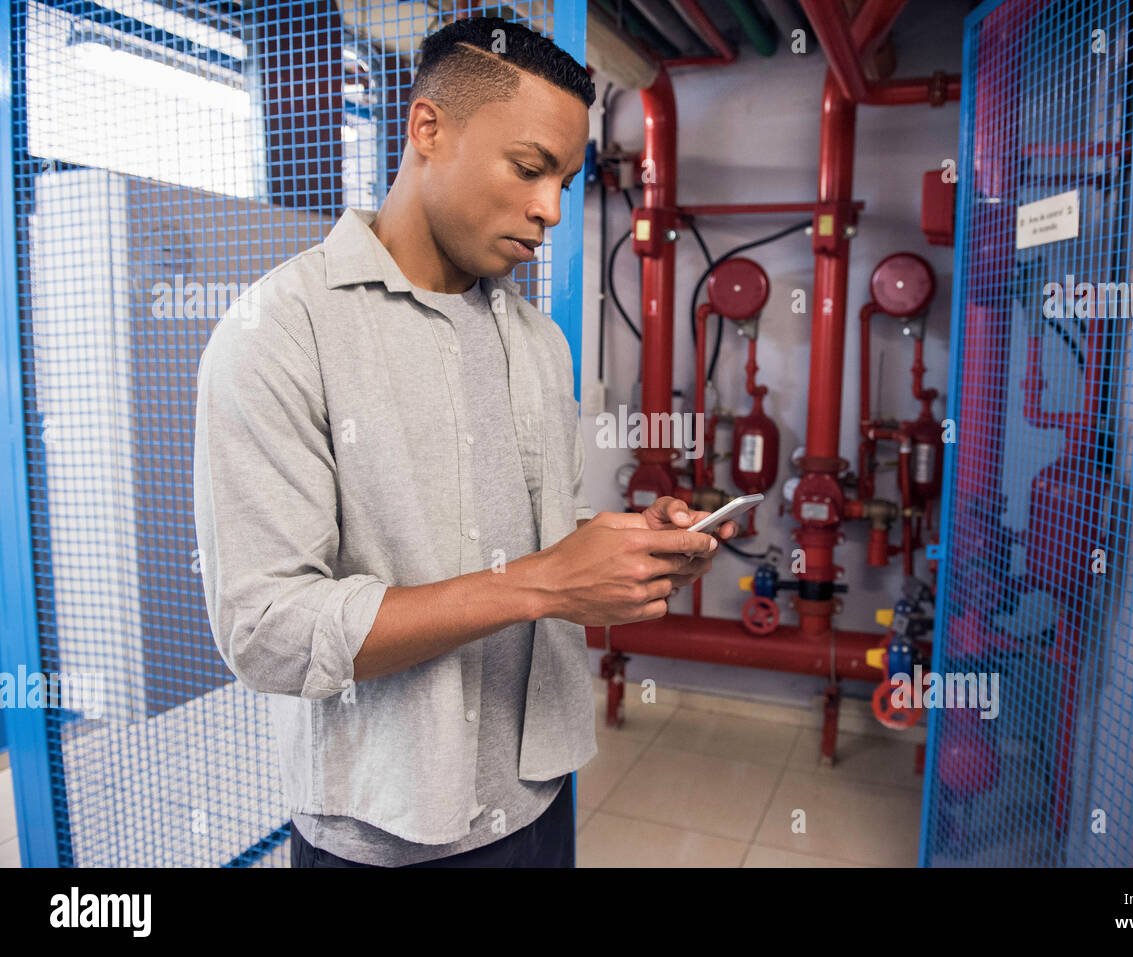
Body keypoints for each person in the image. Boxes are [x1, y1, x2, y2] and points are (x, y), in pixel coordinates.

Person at [192, 15, 735, 868]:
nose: (550, 209)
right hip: (385, 832)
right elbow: (268, 630)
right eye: (528, 168)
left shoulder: (539, 342)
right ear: (427, 128)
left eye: (565, 180)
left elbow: (535, 537)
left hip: (536, 796)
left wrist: (626, 549)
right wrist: (545, 582)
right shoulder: (281, 333)